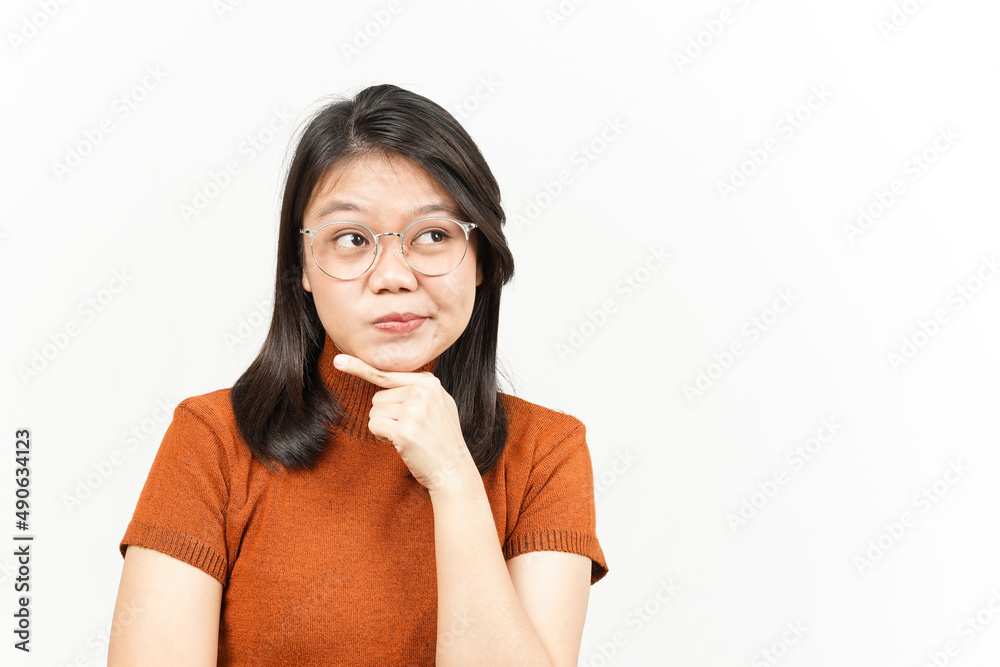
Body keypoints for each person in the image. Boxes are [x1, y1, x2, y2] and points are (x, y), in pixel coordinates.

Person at [108, 83, 608, 666]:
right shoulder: (214, 439)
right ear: (302, 268)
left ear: (482, 261)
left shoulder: (546, 451)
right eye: (351, 239)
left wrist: (454, 480)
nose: (393, 275)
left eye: (434, 235)